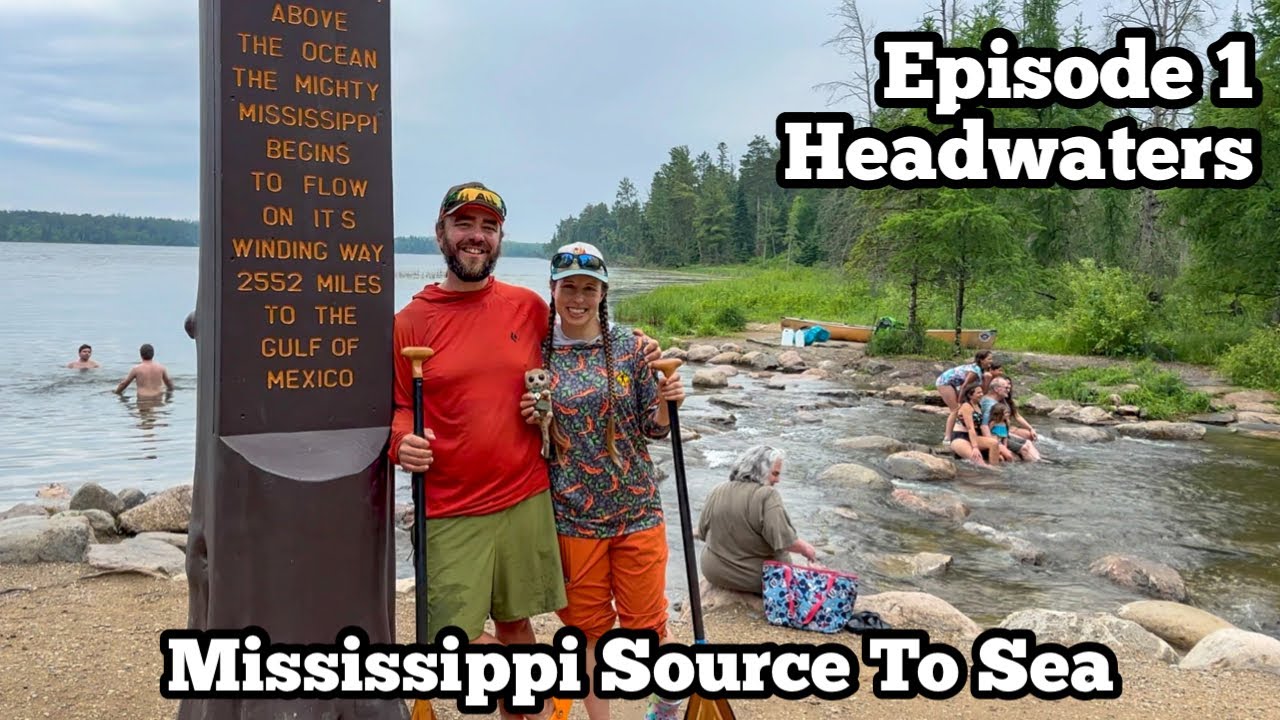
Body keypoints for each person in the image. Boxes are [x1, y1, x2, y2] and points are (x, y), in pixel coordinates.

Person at [389, 182, 658, 720]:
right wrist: (402, 443)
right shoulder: (409, 323)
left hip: (525, 497)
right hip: (450, 507)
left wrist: (640, 344)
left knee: (518, 625)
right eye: (464, 225)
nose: (476, 237)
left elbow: (583, 332)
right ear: (441, 232)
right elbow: (399, 406)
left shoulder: (527, 307)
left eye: (488, 228)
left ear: (500, 239)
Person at [519, 242, 686, 720]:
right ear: (552, 290)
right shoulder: (536, 354)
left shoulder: (632, 348)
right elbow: (527, 432)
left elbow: (654, 430)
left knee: (644, 627)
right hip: (571, 517)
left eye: (588, 288)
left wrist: (665, 399)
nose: (578, 297)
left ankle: (670, 698)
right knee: (589, 632)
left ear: (603, 292)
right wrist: (531, 416)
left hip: (636, 509)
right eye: (568, 286)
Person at [696, 445, 818, 596]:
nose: (778, 480)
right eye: (775, 474)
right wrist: (807, 549)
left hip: (714, 573)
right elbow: (785, 541)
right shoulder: (767, 495)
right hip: (757, 579)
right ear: (761, 470)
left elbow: (701, 533)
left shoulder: (717, 490)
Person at [980, 376, 1041, 461]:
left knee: (1028, 442)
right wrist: (992, 444)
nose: (1008, 389)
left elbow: (1015, 416)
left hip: (1003, 434)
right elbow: (984, 426)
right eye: (1005, 387)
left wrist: (1030, 428)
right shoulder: (989, 405)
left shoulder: (999, 401)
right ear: (997, 389)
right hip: (995, 437)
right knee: (1024, 449)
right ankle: (1036, 465)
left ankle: (1039, 460)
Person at [945, 383, 1001, 466]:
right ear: (970, 395)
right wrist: (975, 447)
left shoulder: (978, 405)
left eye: (982, 392)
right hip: (960, 437)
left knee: (994, 443)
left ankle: (995, 468)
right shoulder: (966, 406)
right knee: (979, 462)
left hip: (973, 437)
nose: (981, 394)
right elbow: (970, 427)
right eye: (978, 393)